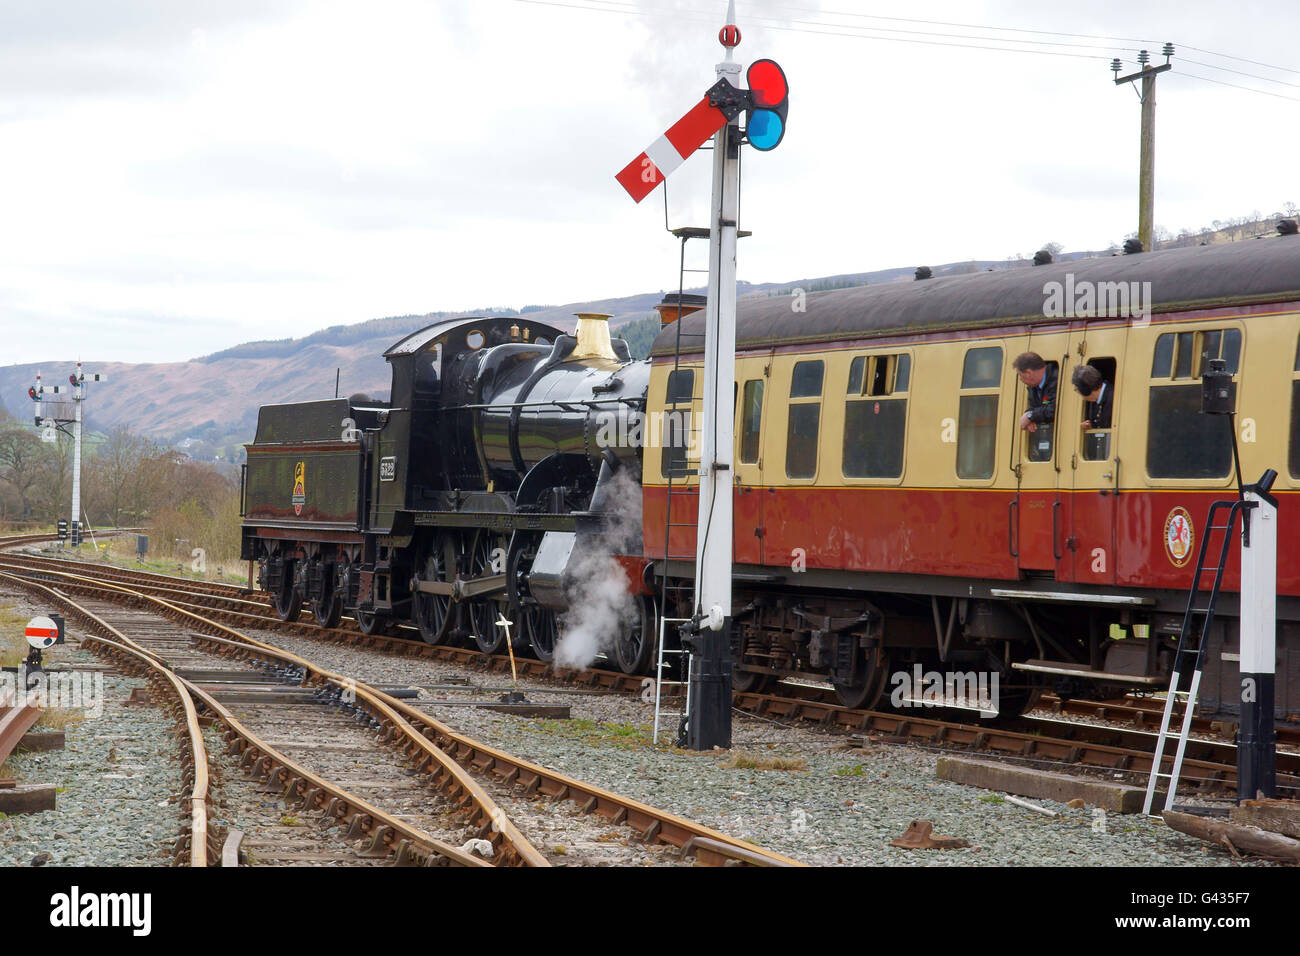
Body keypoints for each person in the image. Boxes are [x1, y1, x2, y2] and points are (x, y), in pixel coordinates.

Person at [1013, 352, 1056, 433]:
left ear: (1029, 373)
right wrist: (1029, 416)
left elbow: (1053, 410)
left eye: (1020, 375)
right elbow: (1035, 406)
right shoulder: (1033, 386)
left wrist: (1030, 416)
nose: (1020, 379)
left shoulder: (1055, 380)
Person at [1071, 364, 1113, 430]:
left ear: (1085, 389)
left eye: (1077, 389)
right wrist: (1092, 427)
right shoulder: (1097, 399)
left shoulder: (1112, 398)